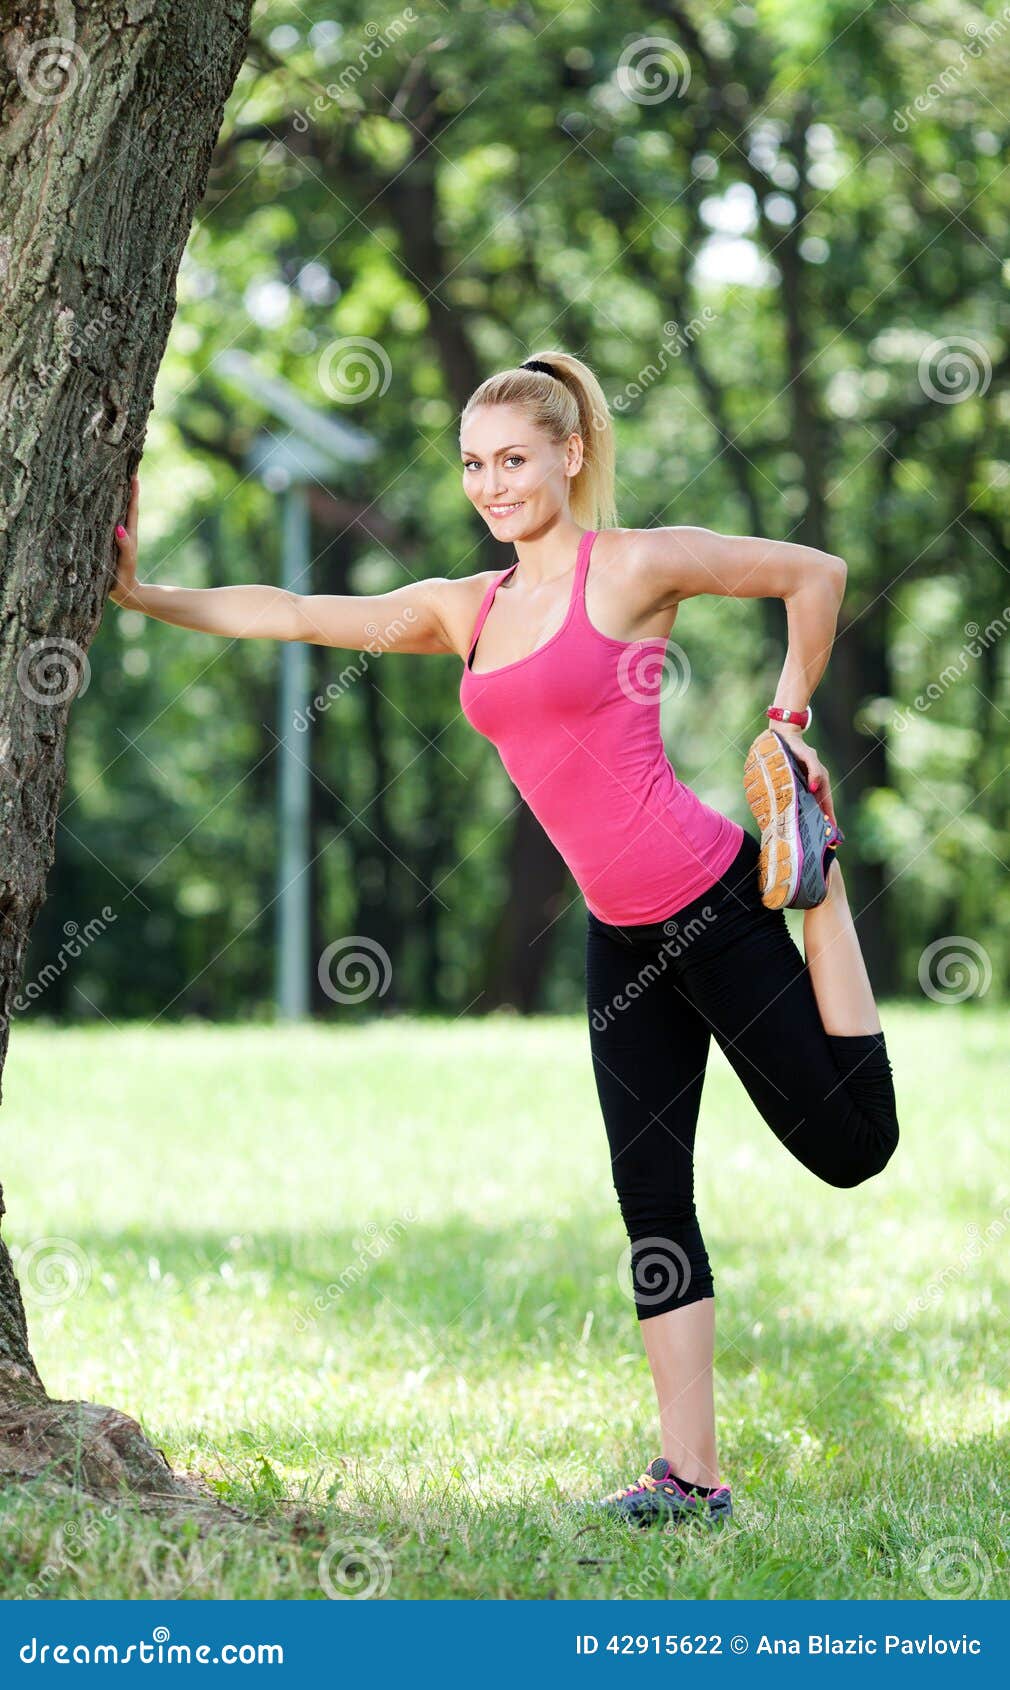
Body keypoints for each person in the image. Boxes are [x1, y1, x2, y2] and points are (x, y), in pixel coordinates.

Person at [110, 349, 899, 1530]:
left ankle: (818, 887)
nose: (491, 484)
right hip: (619, 939)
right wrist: (144, 596)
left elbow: (812, 573)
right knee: (649, 1196)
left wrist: (785, 717)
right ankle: (688, 1477)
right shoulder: (463, 607)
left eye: (513, 459)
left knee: (851, 1148)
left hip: (712, 900)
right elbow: (293, 612)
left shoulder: (631, 565)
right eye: (473, 464)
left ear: (569, 455)